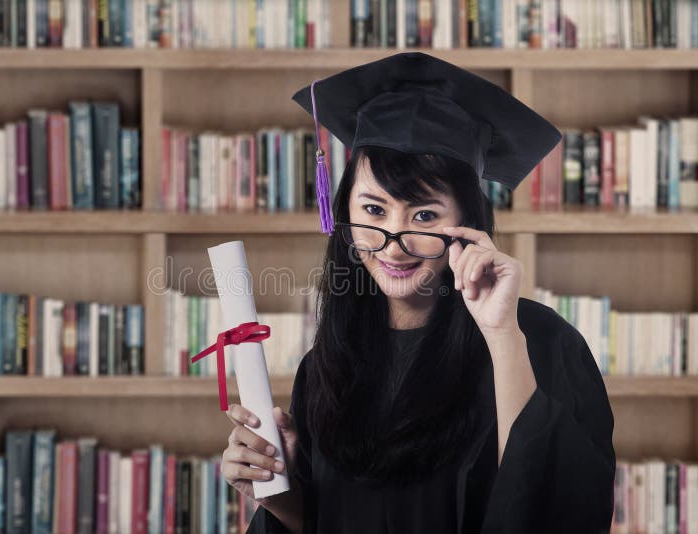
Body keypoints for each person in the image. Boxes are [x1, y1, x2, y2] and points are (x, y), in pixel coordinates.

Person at [219, 52, 616, 534]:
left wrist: (501, 335)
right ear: (344, 211)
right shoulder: (327, 364)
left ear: (467, 220)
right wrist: (283, 495)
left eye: (424, 215)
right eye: (374, 209)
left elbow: (558, 510)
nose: (393, 242)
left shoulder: (542, 342)